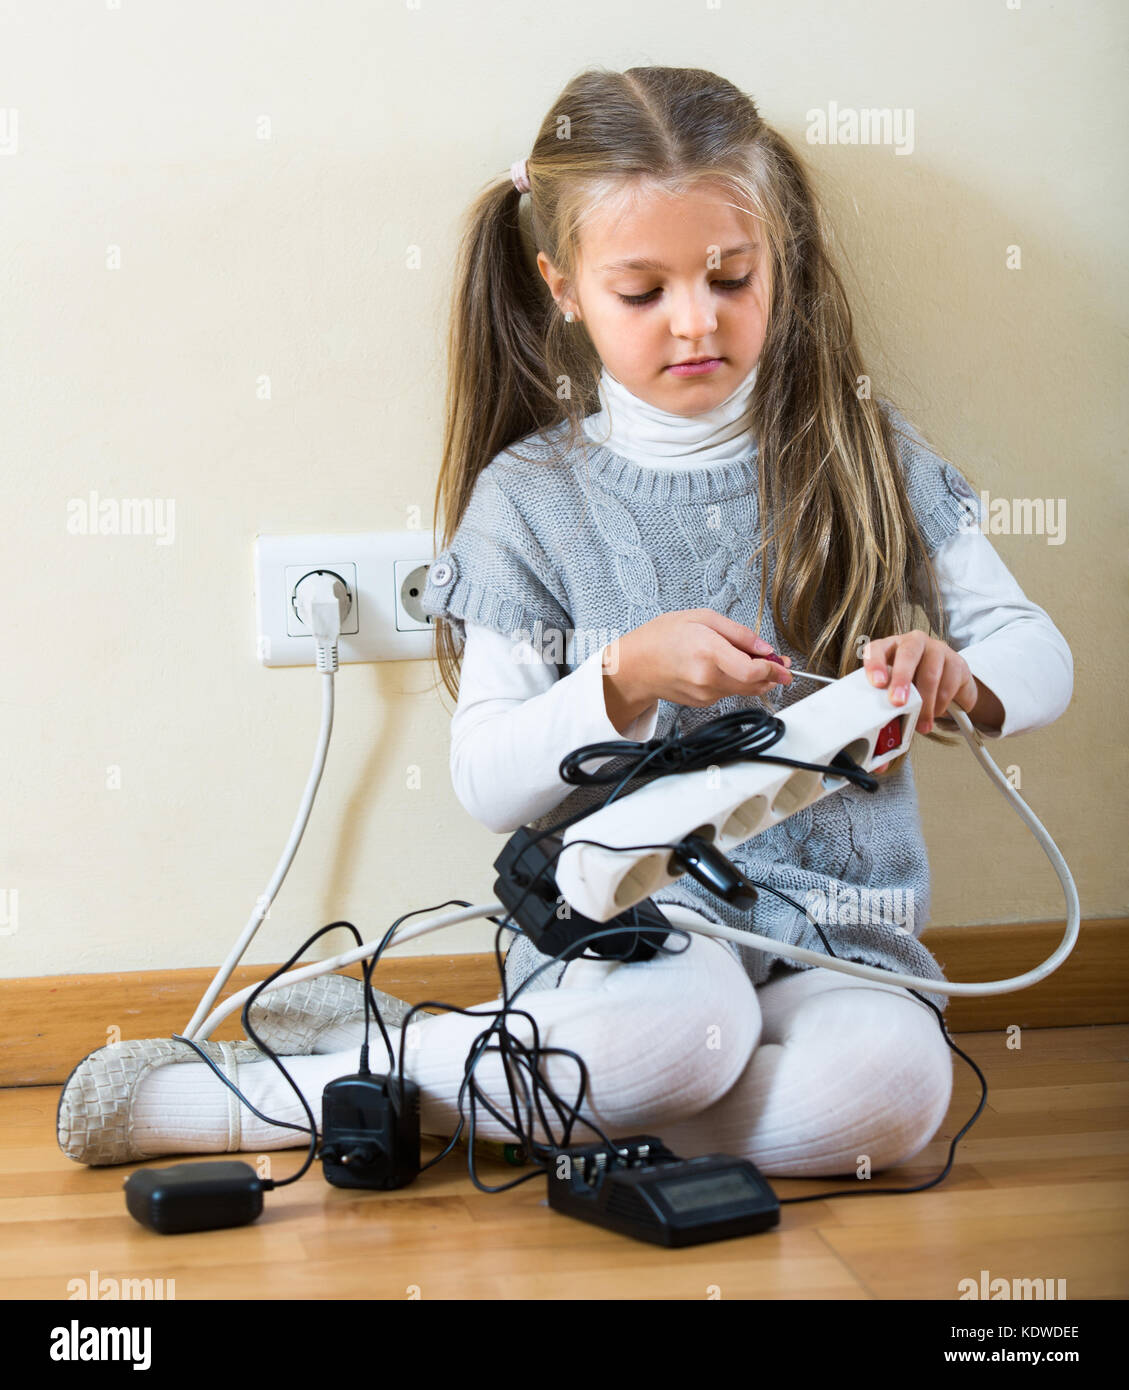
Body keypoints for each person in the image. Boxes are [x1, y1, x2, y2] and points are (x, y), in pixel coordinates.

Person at [58, 65, 1072, 1179]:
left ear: (779, 254)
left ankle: (440, 1080)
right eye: (644, 292)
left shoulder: (864, 457)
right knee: (681, 1036)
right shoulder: (533, 500)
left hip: (841, 936)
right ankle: (256, 1096)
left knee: (892, 1096)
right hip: (635, 928)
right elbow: (491, 781)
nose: (697, 320)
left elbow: (1033, 650)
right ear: (563, 285)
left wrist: (959, 679)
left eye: (733, 276)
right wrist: (622, 678)